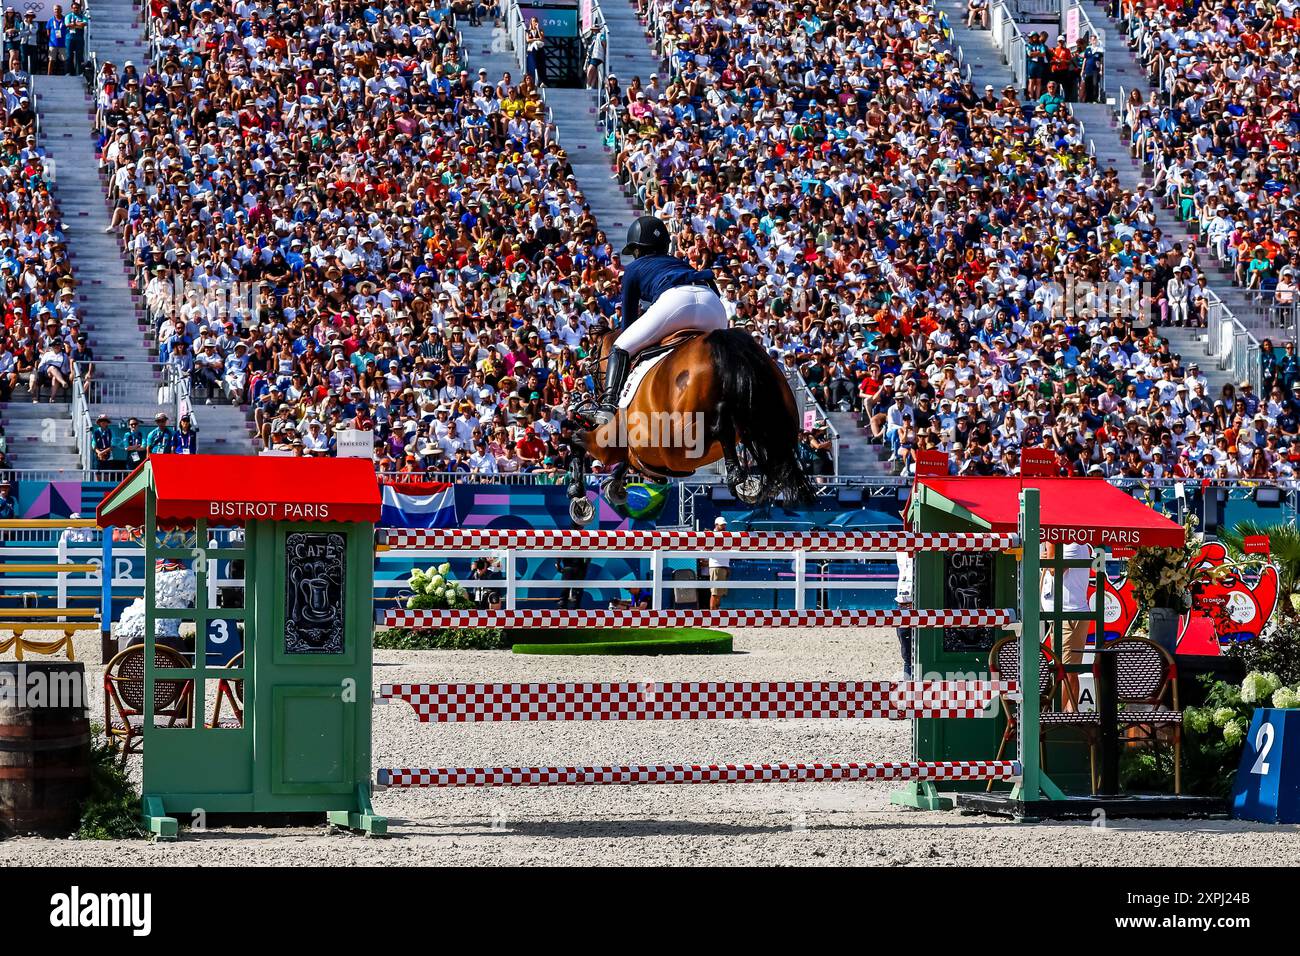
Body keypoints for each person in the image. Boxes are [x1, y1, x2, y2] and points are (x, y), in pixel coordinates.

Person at [591, 216, 729, 424]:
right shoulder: (677, 261)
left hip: (677, 301)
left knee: (619, 346)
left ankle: (609, 405)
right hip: (713, 303)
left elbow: (627, 325)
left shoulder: (634, 269)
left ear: (637, 249)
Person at [1041, 541, 1093, 710]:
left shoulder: (1072, 546)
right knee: (1068, 670)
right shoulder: (1074, 546)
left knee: (1066, 670)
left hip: (1068, 615)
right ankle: (1069, 714)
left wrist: (1049, 550)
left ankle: (1061, 716)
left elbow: (1055, 570)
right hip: (1064, 615)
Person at [895, 547, 915, 680]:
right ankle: (909, 681)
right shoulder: (900, 550)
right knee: (907, 652)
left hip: (911, 604)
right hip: (904, 604)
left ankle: (909, 682)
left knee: (910, 652)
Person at [708, 515, 731, 610]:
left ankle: (715, 612)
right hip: (717, 566)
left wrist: (727, 566)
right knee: (715, 593)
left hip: (723, 566)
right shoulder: (712, 536)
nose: (723, 527)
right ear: (716, 525)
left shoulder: (725, 536)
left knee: (720, 593)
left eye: (724, 525)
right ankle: (713, 613)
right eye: (722, 525)